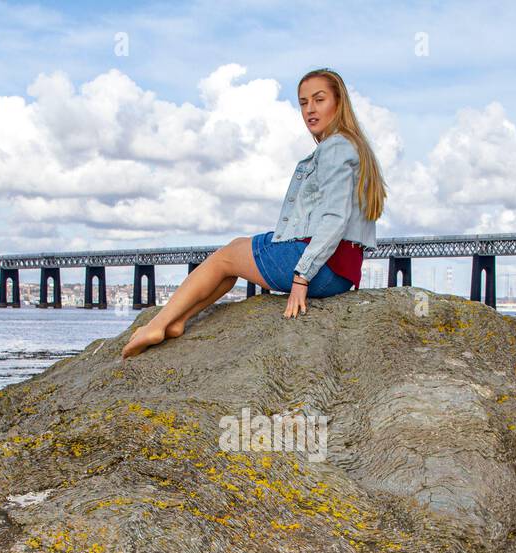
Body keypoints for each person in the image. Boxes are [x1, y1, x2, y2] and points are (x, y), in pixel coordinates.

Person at [121, 67, 387, 359]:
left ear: (339, 103)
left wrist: (301, 278)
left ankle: (157, 325)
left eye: (319, 100)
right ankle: (178, 320)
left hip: (322, 267)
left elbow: (335, 219)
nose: (310, 109)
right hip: (338, 271)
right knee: (234, 255)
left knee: (225, 258)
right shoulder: (353, 147)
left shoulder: (336, 147)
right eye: (303, 102)